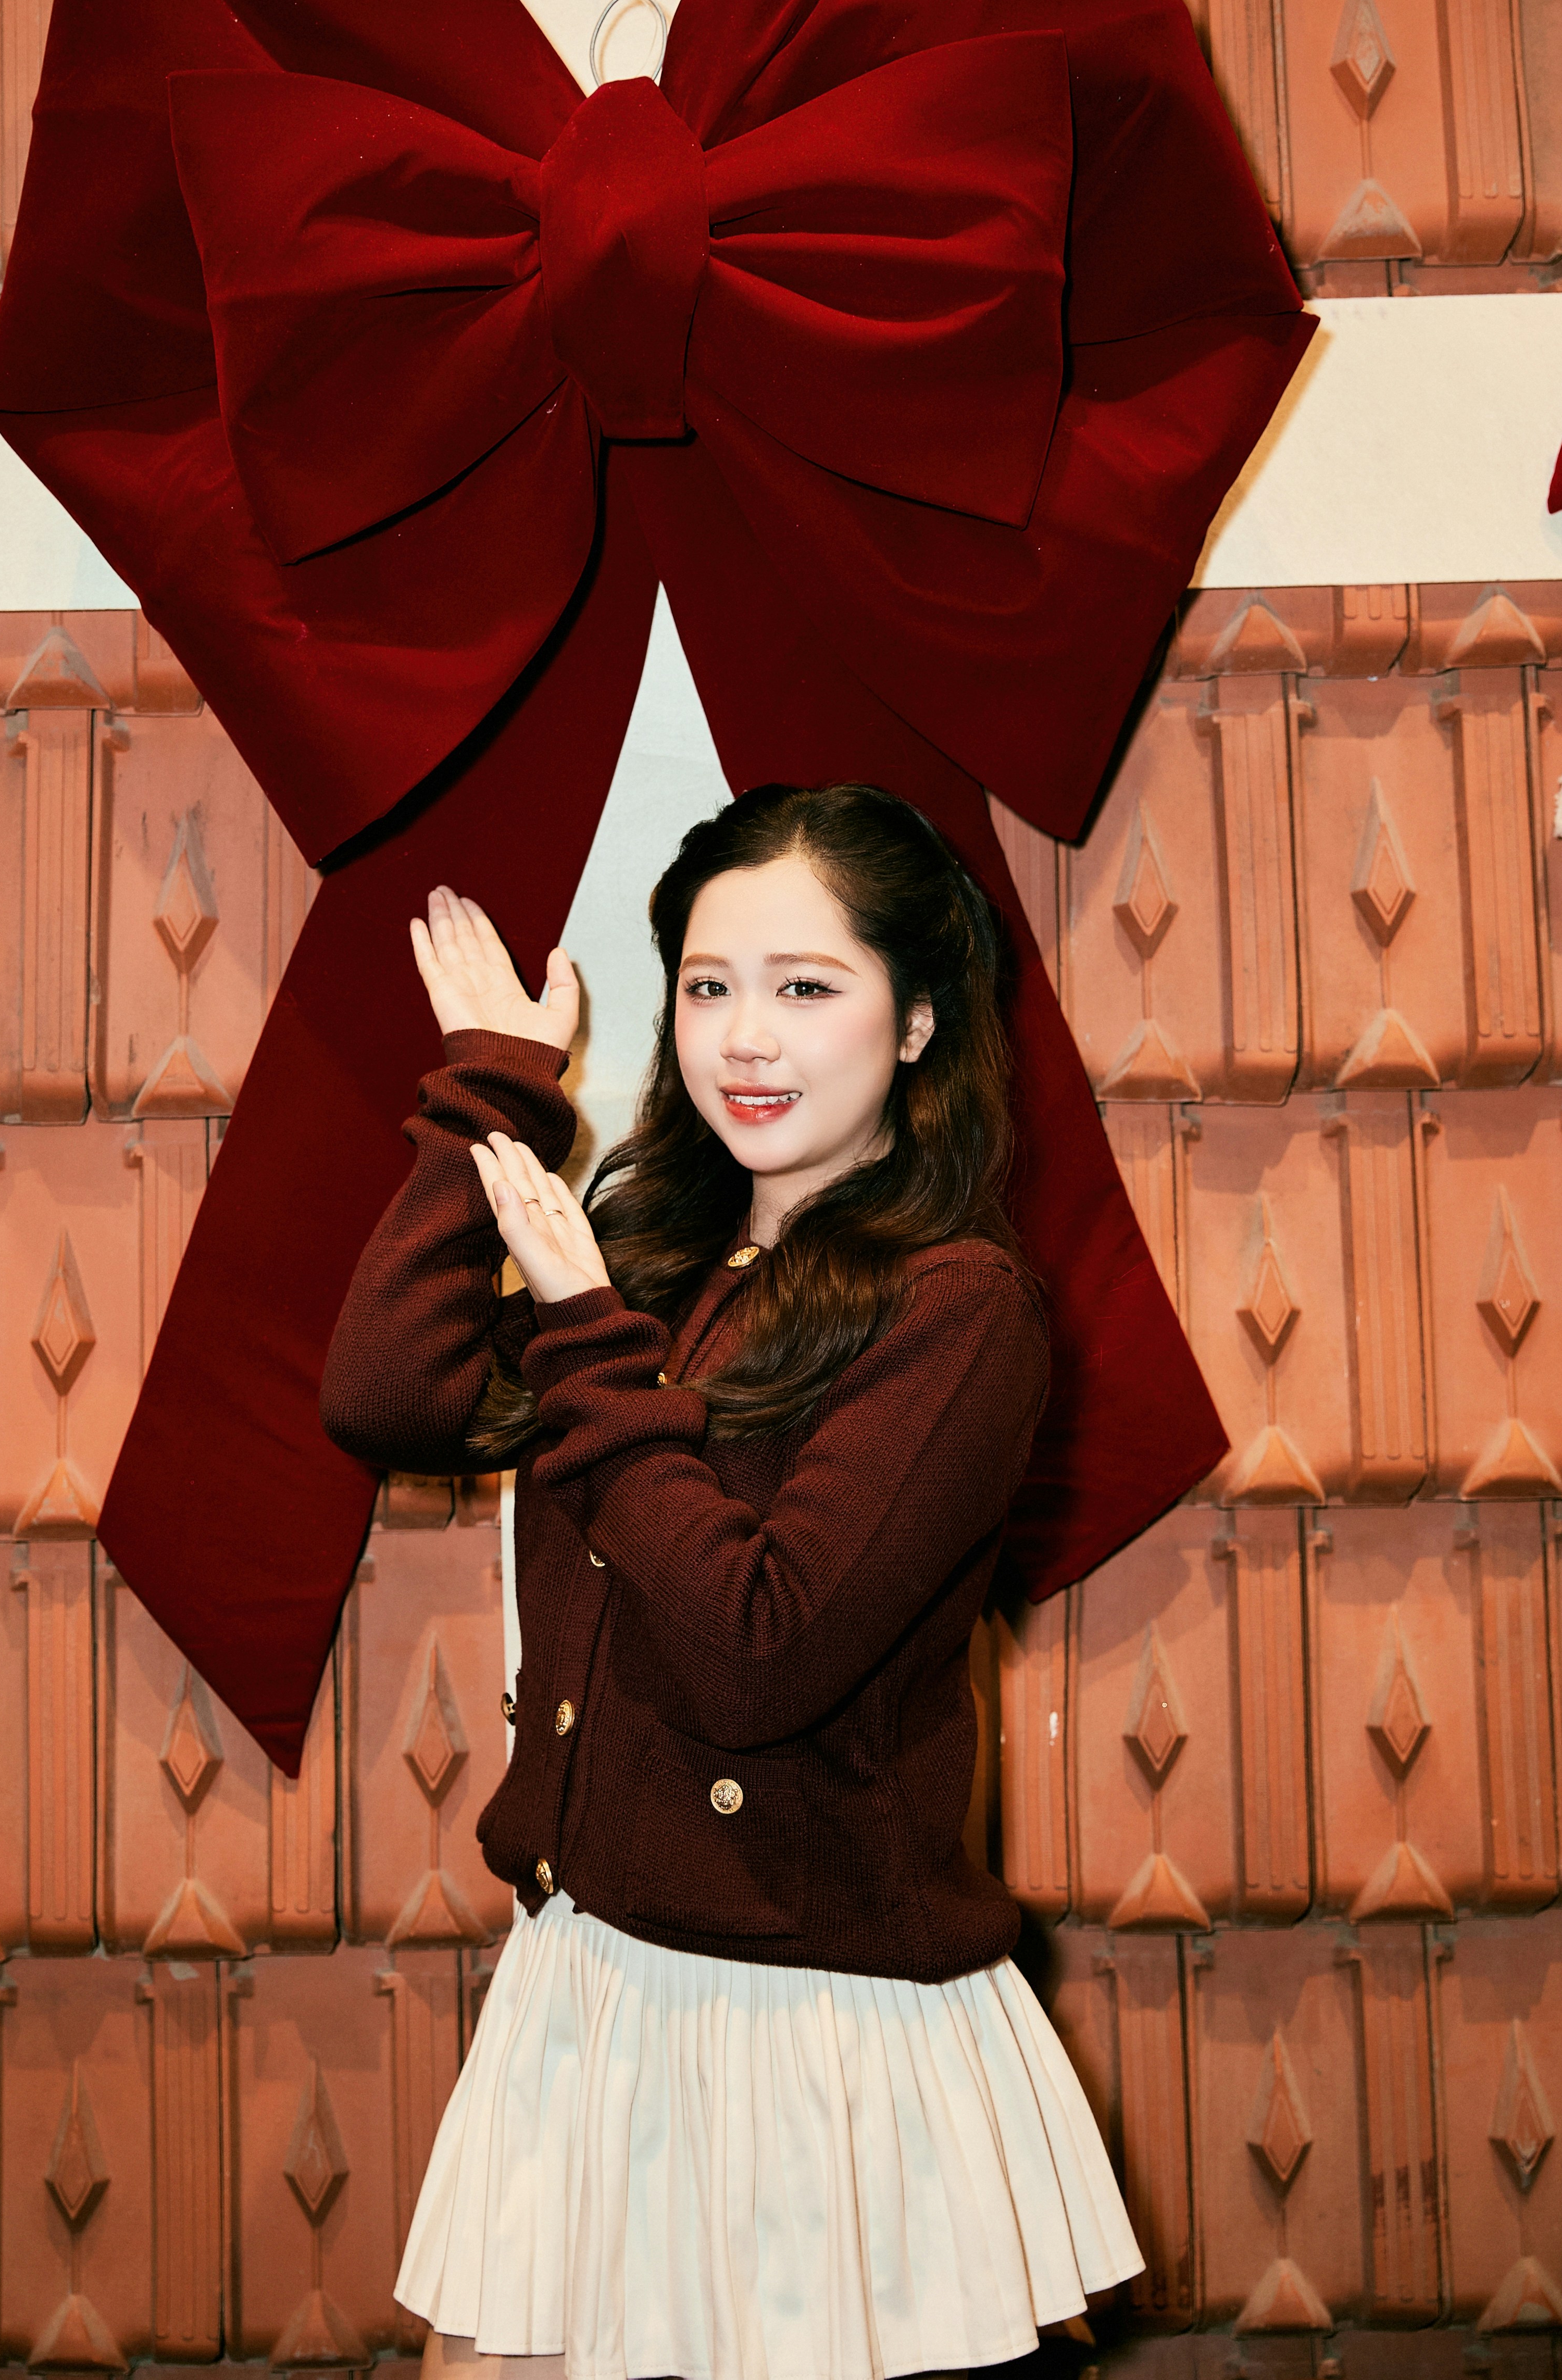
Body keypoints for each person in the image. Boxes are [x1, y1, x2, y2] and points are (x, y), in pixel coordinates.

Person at [320, 783, 1142, 2380]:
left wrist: (584, 1332)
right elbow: (387, 1396)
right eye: (707, 986)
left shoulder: (956, 1305)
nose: (743, 1037)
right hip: (591, 1973)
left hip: (814, 2025)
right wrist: (491, 1093)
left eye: (804, 986)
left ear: (915, 1022)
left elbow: (756, 1653)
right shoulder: (651, 1260)